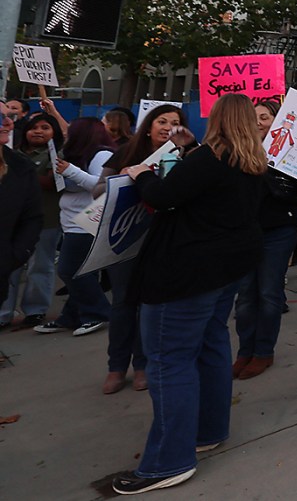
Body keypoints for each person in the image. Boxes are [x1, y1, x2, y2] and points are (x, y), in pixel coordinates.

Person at [111, 94, 267, 495]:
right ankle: (209, 430)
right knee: (212, 343)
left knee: (169, 360)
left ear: (217, 120)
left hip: (186, 273)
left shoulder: (212, 159)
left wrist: (141, 175)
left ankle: (169, 461)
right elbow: (207, 186)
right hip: (225, 269)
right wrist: (189, 148)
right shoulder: (251, 159)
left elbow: (163, 195)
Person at [100, 105, 189, 394]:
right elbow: (96, 191)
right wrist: (121, 179)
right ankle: (116, 367)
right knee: (122, 303)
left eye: (175, 122)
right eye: (162, 121)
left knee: (148, 305)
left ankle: (143, 365)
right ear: (148, 126)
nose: (168, 127)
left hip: (163, 240)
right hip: (124, 240)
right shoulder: (126, 152)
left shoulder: (185, 157)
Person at [233, 100, 297, 379]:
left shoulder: (289, 151)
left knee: (269, 293)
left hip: (278, 231)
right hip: (245, 232)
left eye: (264, 117)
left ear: (276, 121)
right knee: (245, 296)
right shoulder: (239, 149)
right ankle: (244, 351)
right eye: (254, 117)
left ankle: (263, 352)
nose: (258, 122)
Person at [36, 117, 117, 336]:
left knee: (70, 271)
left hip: (87, 223)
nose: (67, 136)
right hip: (71, 222)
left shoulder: (101, 154)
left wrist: (71, 171)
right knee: (79, 272)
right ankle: (71, 316)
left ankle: (97, 312)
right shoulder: (76, 154)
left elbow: (100, 185)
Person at [1, 113, 65, 329]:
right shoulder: (11, 154)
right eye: (33, 127)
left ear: (54, 132)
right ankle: (4, 312)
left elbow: (55, 183)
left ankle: (35, 310)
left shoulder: (55, 155)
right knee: (8, 268)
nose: (38, 131)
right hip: (11, 224)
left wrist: (23, 175)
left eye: (45, 127)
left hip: (46, 221)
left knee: (40, 267)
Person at [0, 110, 43, 320]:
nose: (8, 123)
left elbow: (31, 218)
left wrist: (14, 256)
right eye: (1, 117)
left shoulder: (21, 166)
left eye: (9, 117)